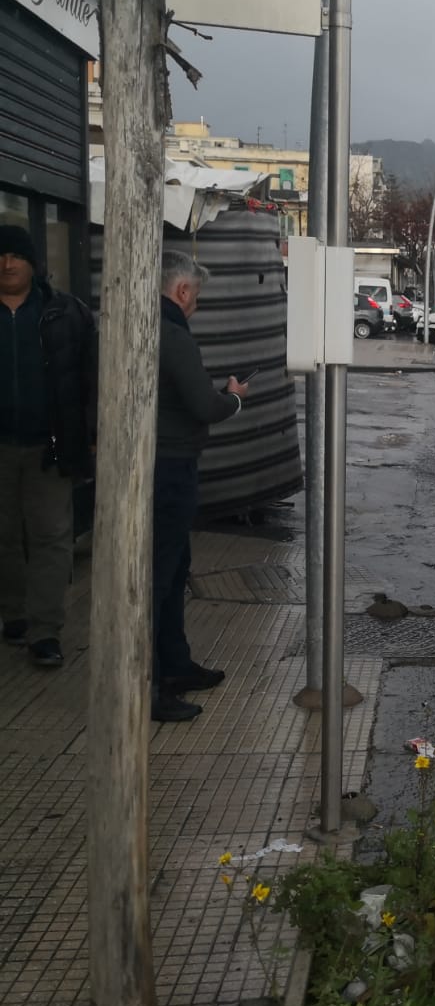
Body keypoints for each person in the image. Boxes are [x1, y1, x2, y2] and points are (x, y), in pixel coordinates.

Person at [153, 250, 248, 722]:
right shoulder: (171, 335)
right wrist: (233, 397)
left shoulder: (140, 326)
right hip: (169, 469)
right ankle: (153, 685)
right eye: (197, 296)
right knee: (160, 575)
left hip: (158, 463)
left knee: (172, 572)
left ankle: (175, 665)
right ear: (183, 290)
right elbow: (204, 406)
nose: (197, 305)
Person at [0, 224, 96, 669]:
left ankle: (45, 631)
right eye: (1, 256)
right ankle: (14, 614)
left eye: (16, 255)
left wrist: (90, 435)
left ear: (33, 263)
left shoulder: (64, 314)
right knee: (5, 537)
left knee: (51, 539)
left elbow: (89, 380)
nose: (7, 263)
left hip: (48, 446)